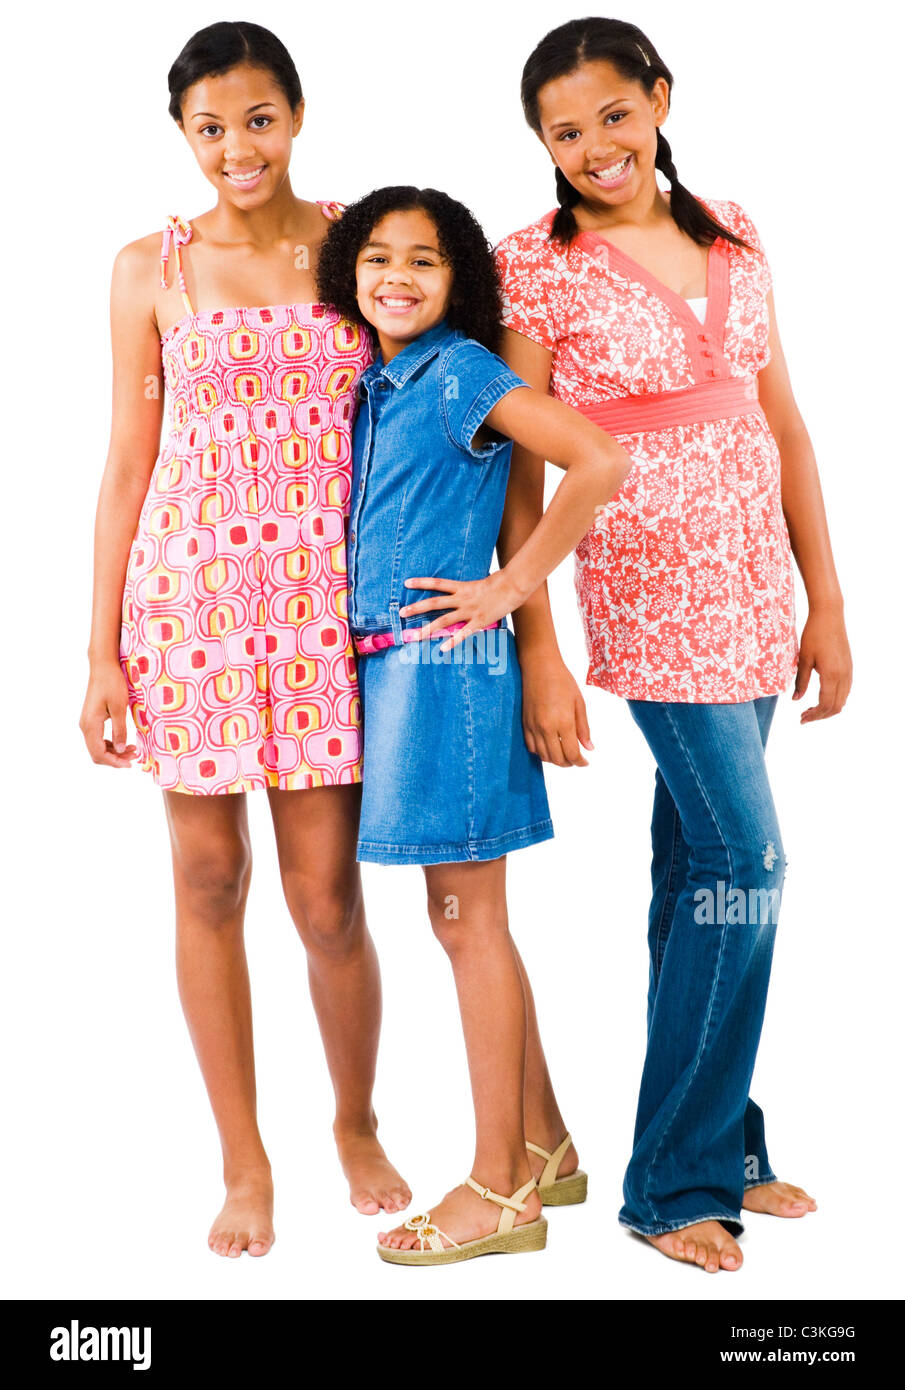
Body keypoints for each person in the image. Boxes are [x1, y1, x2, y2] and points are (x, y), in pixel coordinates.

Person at [493, 16, 852, 1273]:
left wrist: (830, 600)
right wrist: (537, 645)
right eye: (561, 131)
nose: (592, 146)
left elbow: (784, 422)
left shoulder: (736, 229)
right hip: (650, 594)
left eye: (608, 114)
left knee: (693, 877)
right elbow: (517, 474)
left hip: (754, 586)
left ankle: (725, 1141)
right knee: (743, 862)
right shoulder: (530, 263)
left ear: (656, 96)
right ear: (540, 144)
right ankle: (670, 1184)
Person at [80, 20, 411, 1259]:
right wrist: (100, 650)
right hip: (190, 612)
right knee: (208, 880)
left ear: (298, 115)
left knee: (326, 900)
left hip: (325, 611)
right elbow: (127, 460)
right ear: (183, 134)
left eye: (257, 119)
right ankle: (242, 1159)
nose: (236, 147)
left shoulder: (353, 246)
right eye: (210, 126)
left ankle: (355, 1120)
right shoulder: (144, 266)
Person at [316, 185, 633, 1263]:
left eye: (422, 261)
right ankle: (542, 1144)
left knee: (465, 922)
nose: (395, 279)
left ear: (458, 281)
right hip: (392, 666)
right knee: (464, 919)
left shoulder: (459, 373)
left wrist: (508, 589)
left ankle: (498, 1189)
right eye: (374, 260)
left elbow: (596, 459)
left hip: (441, 669)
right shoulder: (375, 380)